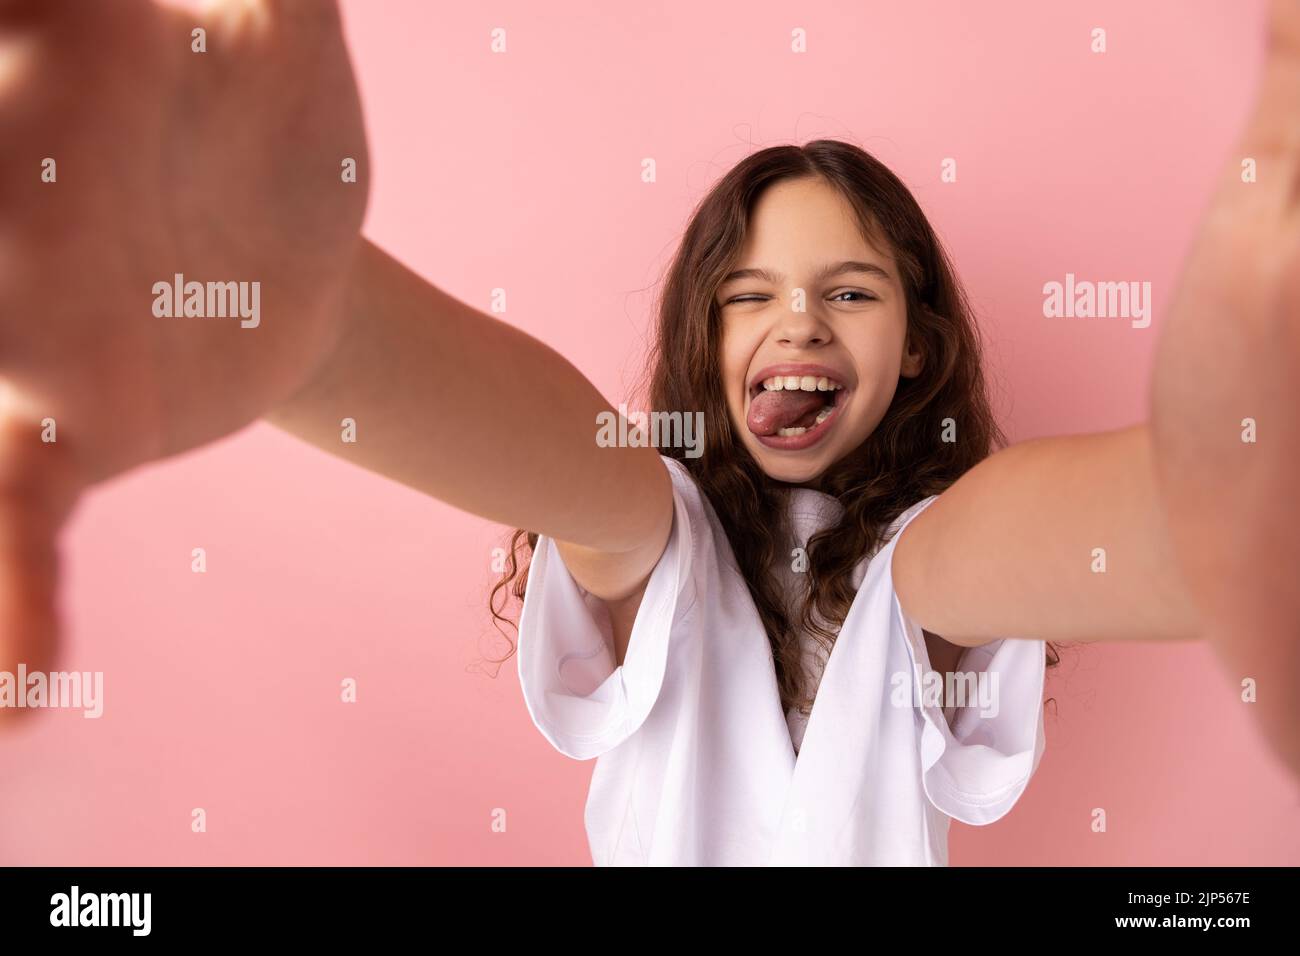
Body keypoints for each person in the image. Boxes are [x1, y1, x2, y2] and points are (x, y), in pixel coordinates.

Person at [0, 0, 1297, 865]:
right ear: (705, 341)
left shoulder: (935, 556)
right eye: (749, 297)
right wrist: (312, 318)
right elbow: (586, 474)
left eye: (850, 293)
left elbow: (1069, 539)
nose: (798, 323)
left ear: (917, 349)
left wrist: (1235, 488)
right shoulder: (660, 525)